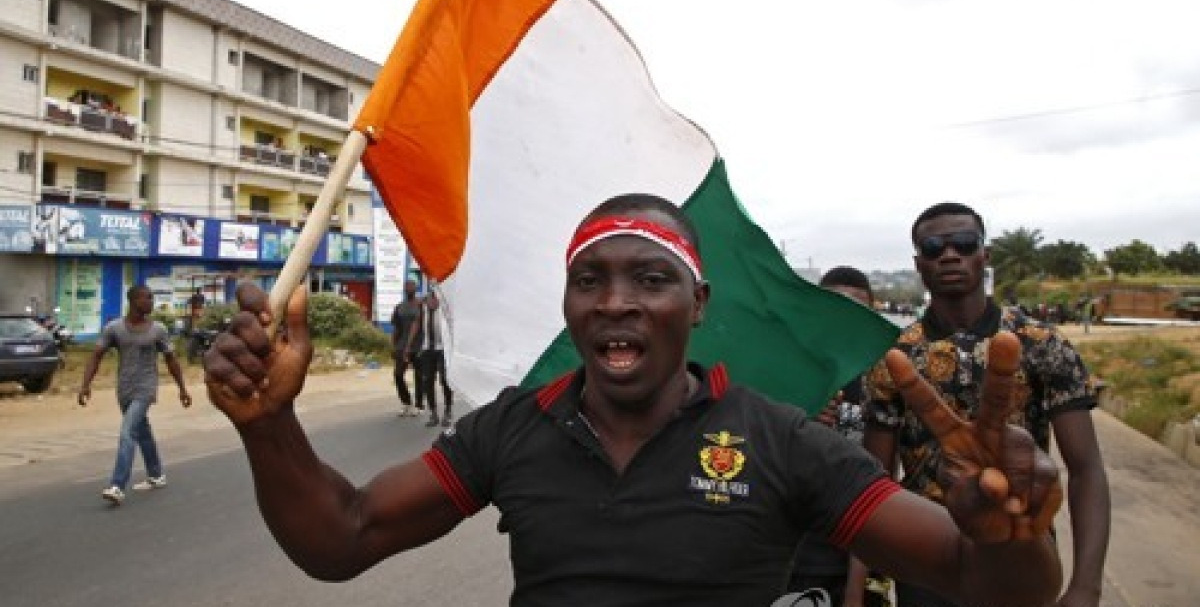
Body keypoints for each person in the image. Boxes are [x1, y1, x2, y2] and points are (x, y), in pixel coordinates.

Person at [204, 194, 1064, 606]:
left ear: (698, 306)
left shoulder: (780, 441)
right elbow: (344, 539)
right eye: (591, 280)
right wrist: (269, 427)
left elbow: (975, 577)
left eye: (651, 279)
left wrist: (1012, 537)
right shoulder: (515, 428)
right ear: (570, 302)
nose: (615, 302)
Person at [863, 202, 1110, 607]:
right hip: (926, 555)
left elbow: (1086, 470)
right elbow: (875, 479)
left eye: (963, 242)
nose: (949, 254)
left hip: (1021, 549)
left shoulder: (1040, 344)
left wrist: (1087, 586)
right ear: (919, 264)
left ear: (984, 255)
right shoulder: (895, 358)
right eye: (932, 247)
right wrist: (869, 583)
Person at [789, 266, 892, 606]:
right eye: (836, 307)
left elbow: (880, 478)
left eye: (858, 309)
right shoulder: (790, 375)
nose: (847, 319)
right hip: (787, 556)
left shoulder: (883, 381)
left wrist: (854, 591)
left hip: (852, 552)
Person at [78, 284, 192, 506]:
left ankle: (117, 485)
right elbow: (96, 355)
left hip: (146, 388)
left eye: (151, 298)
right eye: (147, 298)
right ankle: (156, 474)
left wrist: (182, 389)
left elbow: (171, 360)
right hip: (124, 389)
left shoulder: (158, 330)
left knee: (128, 432)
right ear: (133, 301)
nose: (151, 302)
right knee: (142, 432)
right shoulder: (114, 329)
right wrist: (85, 385)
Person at [415, 292, 453, 428]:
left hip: (442, 350)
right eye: (429, 301)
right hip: (427, 350)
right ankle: (433, 414)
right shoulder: (423, 310)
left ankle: (448, 412)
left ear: (438, 300)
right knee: (427, 381)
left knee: (444, 380)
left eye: (433, 301)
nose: (431, 303)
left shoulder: (444, 312)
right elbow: (417, 324)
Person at [389, 279, 424, 417]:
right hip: (401, 346)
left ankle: (419, 405)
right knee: (398, 375)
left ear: (416, 289)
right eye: (407, 286)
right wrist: (393, 346)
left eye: (412, 286)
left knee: (419, 376)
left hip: (419, 346)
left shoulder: (421, 305)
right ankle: (406, 402)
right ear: (404, 289)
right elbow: (396, 328)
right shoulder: (399, 307)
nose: (409, 288)